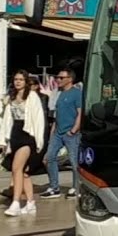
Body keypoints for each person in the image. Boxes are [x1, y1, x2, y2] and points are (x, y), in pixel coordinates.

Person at [0, 70, 47, 215]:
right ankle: (31, 202)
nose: (17, 82)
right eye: (15, 79)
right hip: (15, 134)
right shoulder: (11, 97)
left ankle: (16, 202)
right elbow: (7, 119)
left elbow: (38, 119)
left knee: (16, 168)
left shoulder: (32, 97)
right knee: (24, 172)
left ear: (26, 81)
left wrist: (39, 141)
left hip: (27, 136)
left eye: (20, 79)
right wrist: (3, 140)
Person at [41, 66, 83, 199]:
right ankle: (54, 187)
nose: (58, 80)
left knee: (74, 161)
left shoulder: (76, 93)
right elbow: (56, 115)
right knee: (48, 158)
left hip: (71, 133)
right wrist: (53, 132)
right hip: (57, 133)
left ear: (70, 79)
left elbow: (80, 113)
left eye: (61, 77)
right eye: (57, 77)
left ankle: (76, 188)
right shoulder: (58, 93)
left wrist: (74, 130)